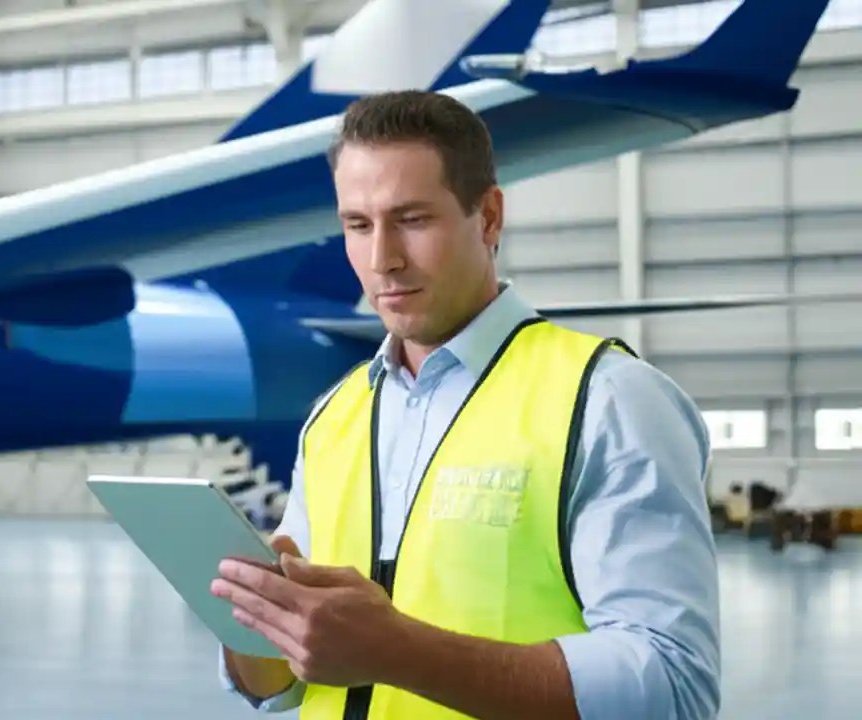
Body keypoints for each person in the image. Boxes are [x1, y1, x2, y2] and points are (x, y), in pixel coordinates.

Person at [209, 91, 720, 720]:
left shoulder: (608, 400)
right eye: (358, 225)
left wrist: (398, 650)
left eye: (413, 219)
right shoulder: (335, 417)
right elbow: (281, 686)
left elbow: (673, 688)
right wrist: (254, 618)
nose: (382, 260)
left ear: (490, 217)